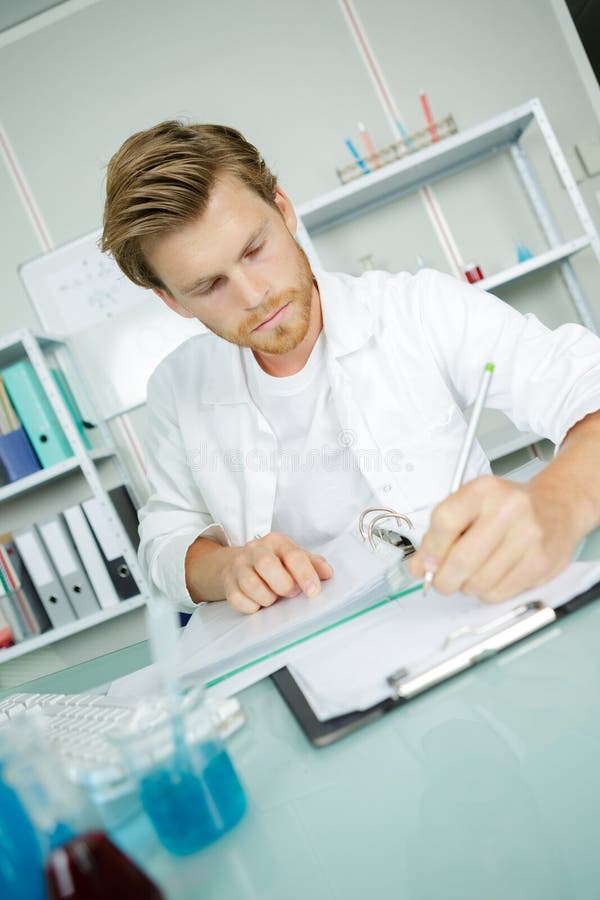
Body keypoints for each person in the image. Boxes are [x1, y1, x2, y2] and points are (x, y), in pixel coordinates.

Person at [101, 121, 600, 614]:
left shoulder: (419, 307)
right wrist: (228, 567)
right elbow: (165, 541)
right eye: (209, 286)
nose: (254, 296)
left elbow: (585, 383)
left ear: (282, 208)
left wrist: (558, 504)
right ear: (173, 302)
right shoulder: (177, 385)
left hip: (467, 607)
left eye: (255, 250)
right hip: (318, 648)